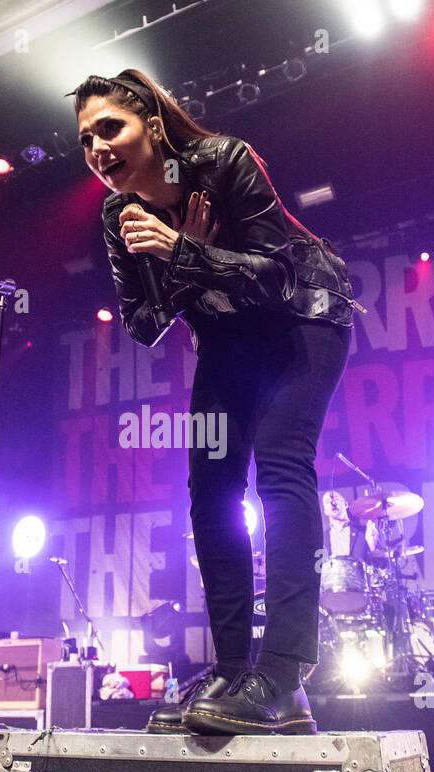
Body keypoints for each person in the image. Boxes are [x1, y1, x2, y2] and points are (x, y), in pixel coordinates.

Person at [73, 70, 357, 734]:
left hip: (303, 314)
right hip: (227, 334)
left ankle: (284, 673)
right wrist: (185, 261)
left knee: (280, 461)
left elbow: (278, 273)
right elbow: (143, 323)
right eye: (85, 140)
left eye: (109, 128)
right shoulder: (119, 214)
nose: (97, 148)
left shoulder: (223, 161)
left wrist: (187, 251)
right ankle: (233, 671)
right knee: (209, 486)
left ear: (149, 121)